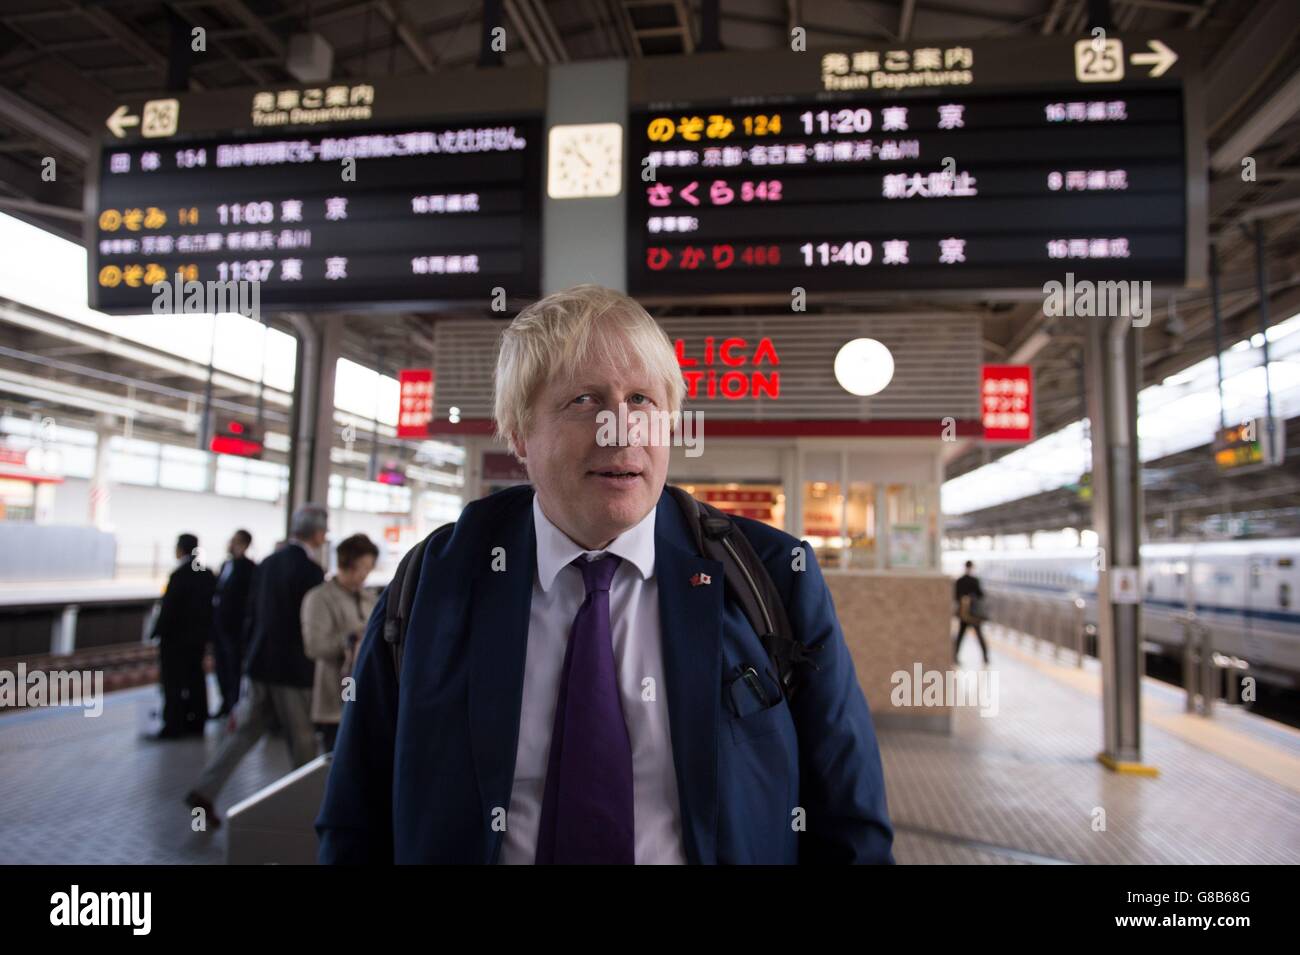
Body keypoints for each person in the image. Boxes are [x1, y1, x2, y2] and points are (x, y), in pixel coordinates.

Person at [317, 284, 893, 864]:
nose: (621, 429)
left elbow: (849, 822)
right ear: (519, 433)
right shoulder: (432, 586)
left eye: (642, 400)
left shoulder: (770, 578)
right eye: (585, 400)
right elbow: (354, 823)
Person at [185, 504, 328, 826]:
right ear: (319, 534)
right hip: (292, 671)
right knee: (304, 742)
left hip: (260, 664)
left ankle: (205, 789)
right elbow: (308, 626)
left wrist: (247, 660)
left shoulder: (268, 563)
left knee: (244, 733)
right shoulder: (311, 571)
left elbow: (251, 614)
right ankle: (309, 815)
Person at [302, 533, 379, 752]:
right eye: (362, 566)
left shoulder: (368, 598)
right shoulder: (319, 598)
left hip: (364, 693)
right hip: (336, 694)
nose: (366, 573)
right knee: (337, 755)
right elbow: (314, 646)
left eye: (369, 567)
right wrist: (351, 639)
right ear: (347, 563)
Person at [148, 533, 216, 739]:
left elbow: (169, 609)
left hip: (175, 639)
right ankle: (198, 722)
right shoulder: (206, 573)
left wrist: (157, 632)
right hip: (197, 638)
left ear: (180, 549)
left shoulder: (178, 575)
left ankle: (174, 724)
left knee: (173, 681)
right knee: (196, 678)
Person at [211, 529, 255, 718]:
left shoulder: (249, 567)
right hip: (220, 624)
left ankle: (234, 702)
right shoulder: (225, 564)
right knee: (220, 664)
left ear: (245, 545)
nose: (231, 544)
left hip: (236, 626)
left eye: (236, 541)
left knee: (233, 665)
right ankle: (224, 702)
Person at [953, 560, 990, 664]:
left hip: (963, 613)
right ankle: (985, 657)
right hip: (973, 614)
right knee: (979, 635)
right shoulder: (975, 580)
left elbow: (955, 596)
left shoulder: (959, 581)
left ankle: (955, 656)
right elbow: (981, 595)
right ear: (972, 567)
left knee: (960, 635)